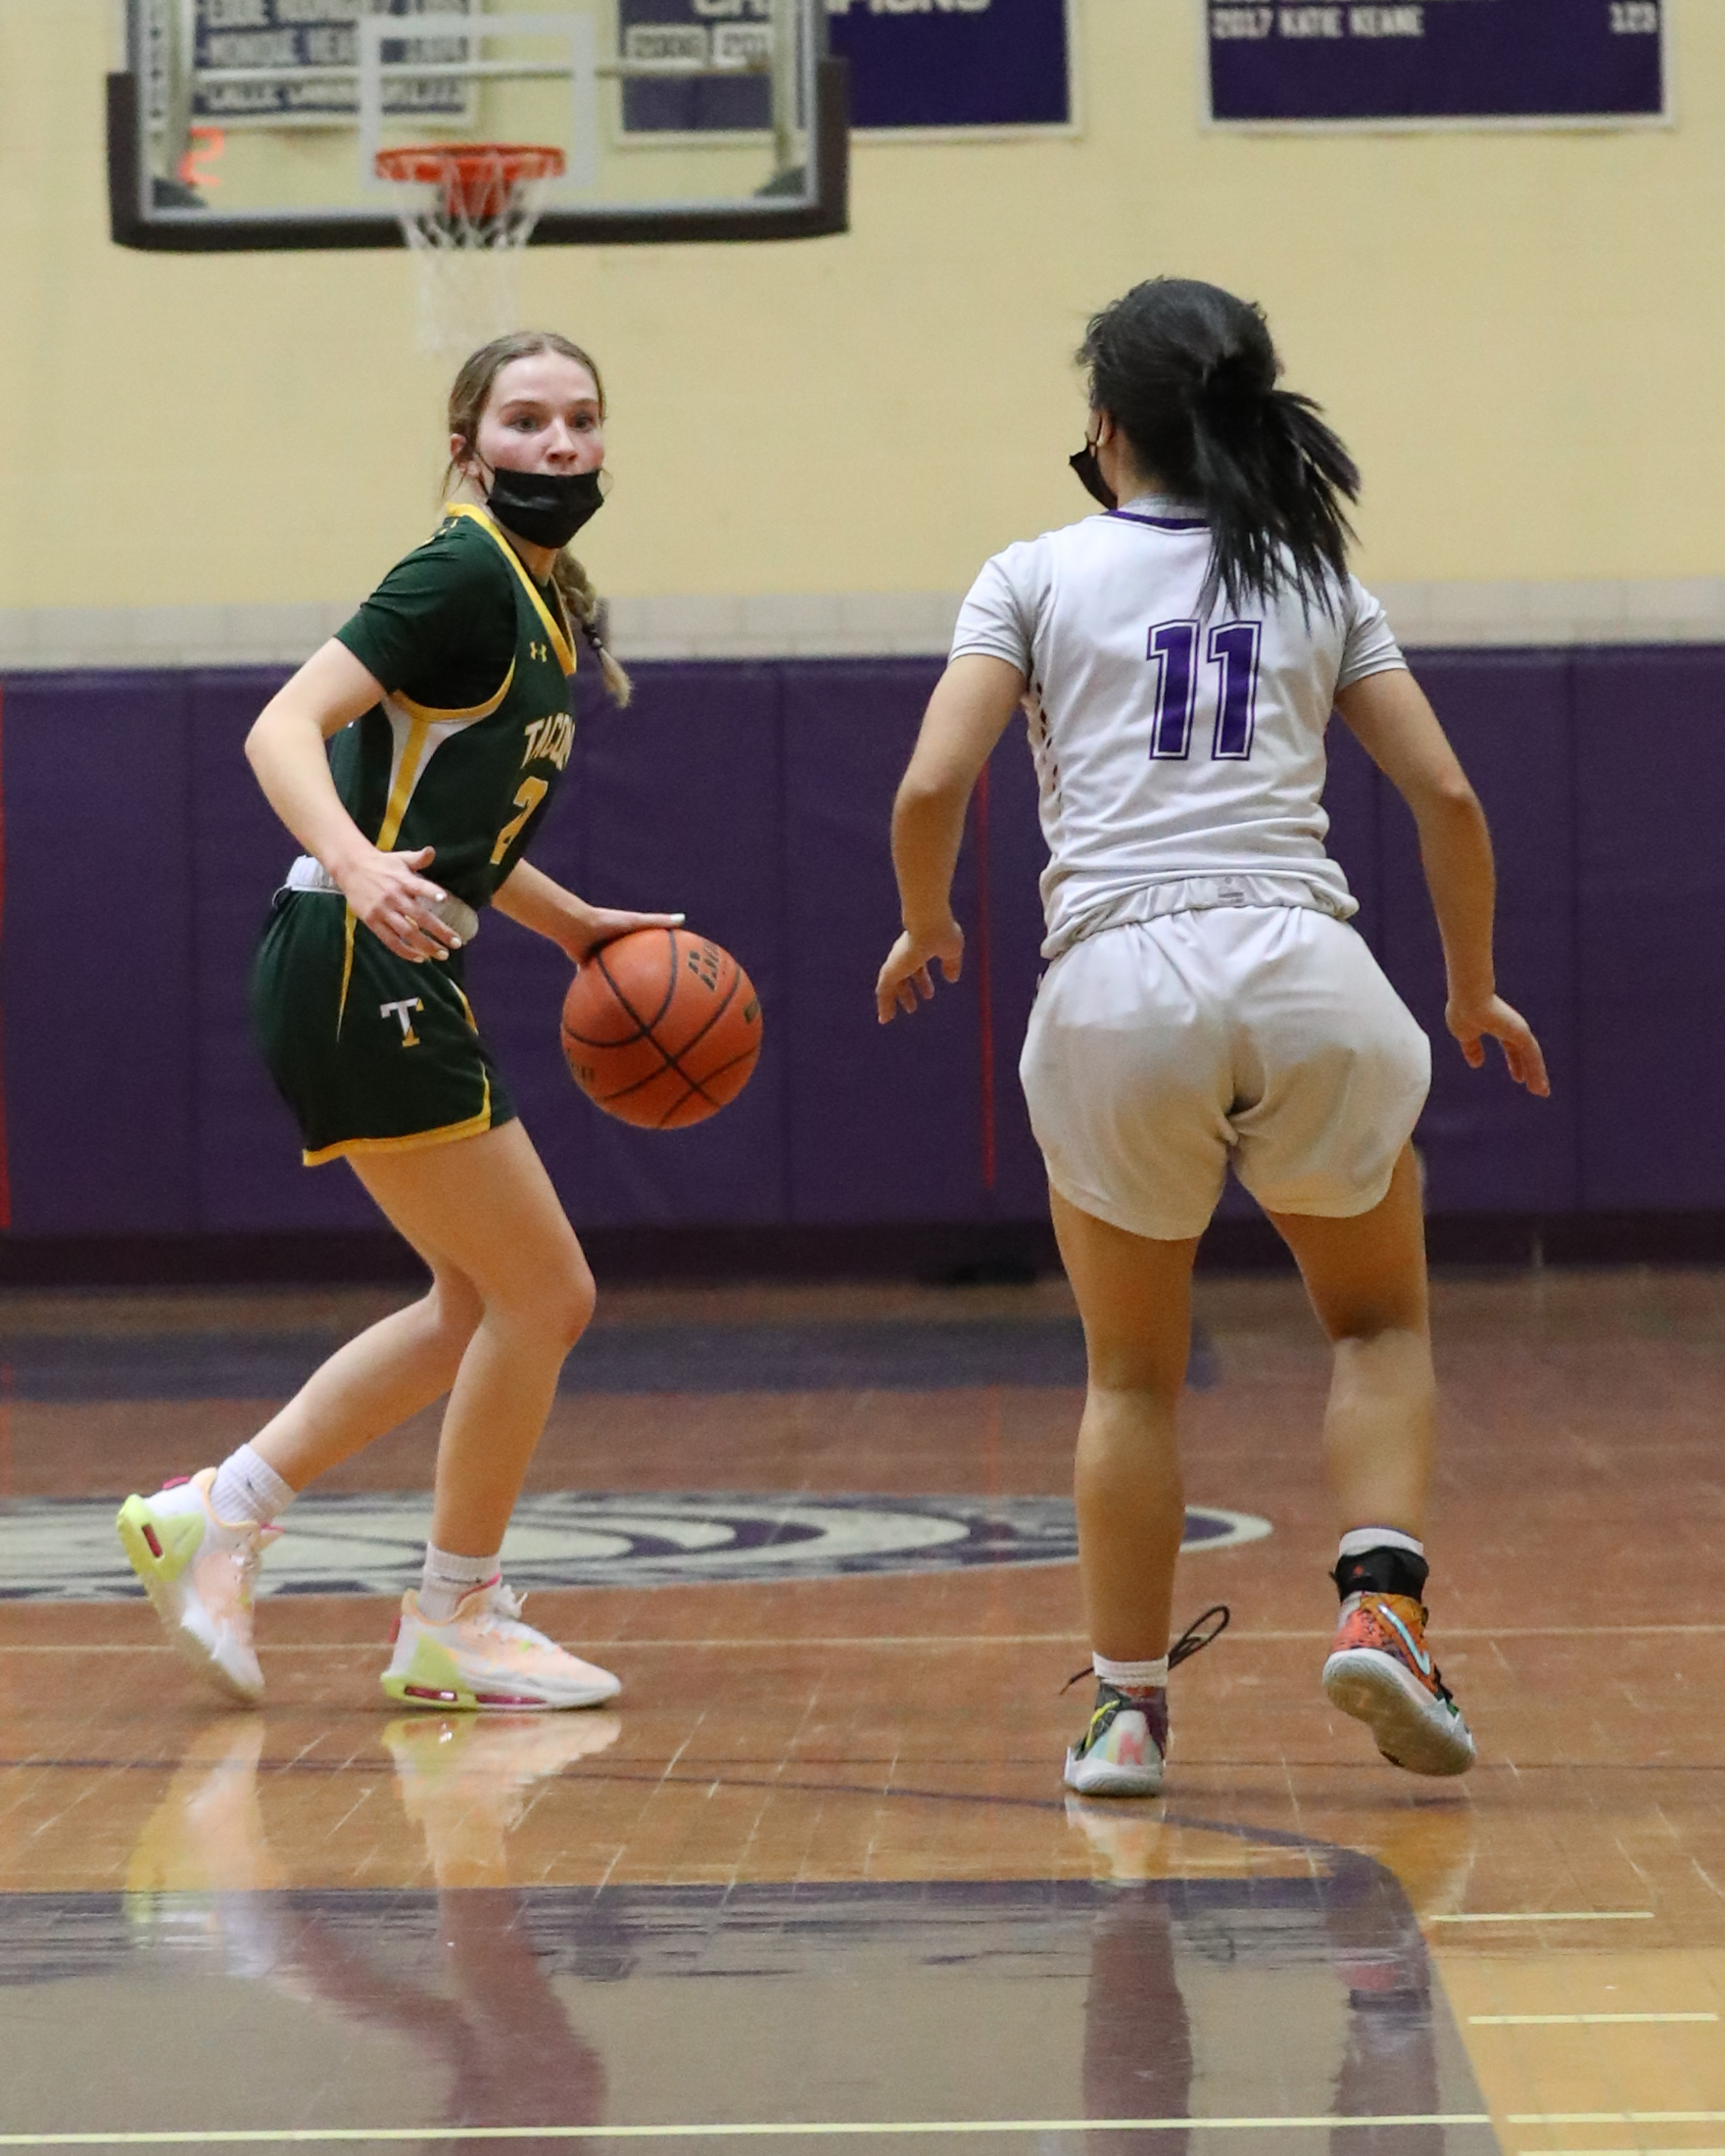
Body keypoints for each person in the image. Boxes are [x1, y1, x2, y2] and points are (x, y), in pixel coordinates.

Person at [875, 278, 1548, 1797]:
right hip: (1311, 968)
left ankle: (1124, 1713)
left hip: (1115, 981)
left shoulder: (1031, 571)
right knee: (1374, 1326)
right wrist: (1469, 986)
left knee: (1130, 1375)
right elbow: (1446, 800)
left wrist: (927, 928)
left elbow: (930, 788)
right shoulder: (1313, 572)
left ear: (1104, 429)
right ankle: (1380, 1602)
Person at [118, 330, 677, 1714]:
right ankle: (452, 1615)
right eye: (526, 420)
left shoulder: (537, 604)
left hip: (375, 955)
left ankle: (219, 1515)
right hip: (354, 951)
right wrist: (363, 870)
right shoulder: (457, 570)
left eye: (580, 420)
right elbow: (282, 729)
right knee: (547, 1294)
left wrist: (575, 925)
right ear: (465, 445)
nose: (557, 443)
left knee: (477, 1302)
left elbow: (455, 830)